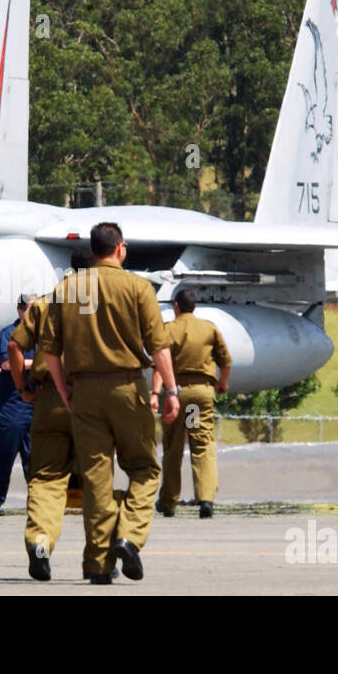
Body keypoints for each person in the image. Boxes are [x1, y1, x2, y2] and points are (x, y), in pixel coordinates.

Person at [40, 222, 179, 584]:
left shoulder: (67, 289)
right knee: (145, 469)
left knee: (96, 481)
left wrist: (65, 391)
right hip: (127, 389)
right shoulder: (137, 287)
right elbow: (158, 345)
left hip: (83, 392)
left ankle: (99, 565)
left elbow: (50, 351)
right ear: (120, 249)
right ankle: (129, 536)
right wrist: (171, 392)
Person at [9, 250, 94, 581]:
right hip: (93, 398)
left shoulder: (46, 303)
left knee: (46, 477)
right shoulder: (106, 304)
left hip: (49, 399)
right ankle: (103, 553)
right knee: (97, 479)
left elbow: (15, 347)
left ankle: (40, 543)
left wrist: (22, 389)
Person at [151, 289, 232, 519]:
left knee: (173, 447)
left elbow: (159, 365)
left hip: (177, 394)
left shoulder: (168, 329)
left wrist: (156, 393)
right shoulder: (209, 328)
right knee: (202, 444)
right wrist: (223, 383)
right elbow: (225, 361)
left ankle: (168, 502)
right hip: (199, 396)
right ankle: (205, 498)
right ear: (193, 307)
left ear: (176, 306)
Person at [0, 294, 35, 516]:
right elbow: (6, 364)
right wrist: (41, 362)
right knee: (5, 456)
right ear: (20, 311)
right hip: (12, 407)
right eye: (30, 310)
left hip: (35, 405)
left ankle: (39, 503)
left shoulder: (43, 336)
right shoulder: (8, 334)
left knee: (36, 458)